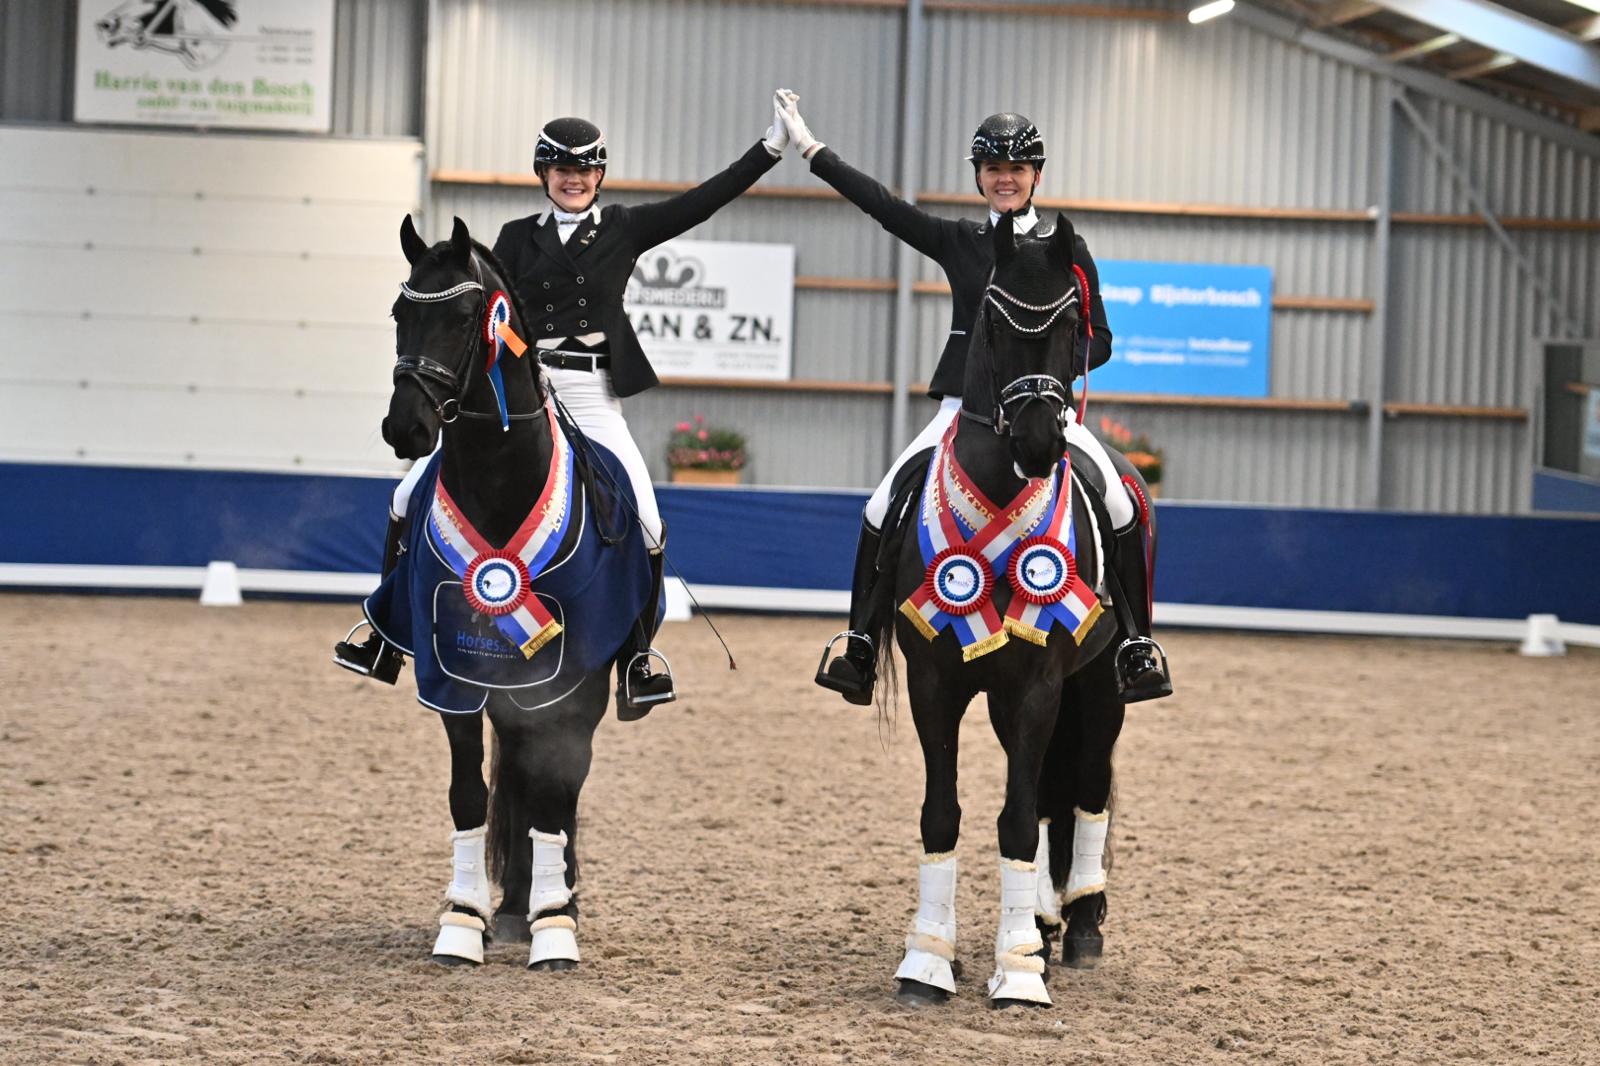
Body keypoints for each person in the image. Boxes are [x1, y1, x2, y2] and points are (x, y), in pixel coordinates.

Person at [335, 94, 795, 717]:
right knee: (404, 496)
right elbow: (498, 319)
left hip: (596, 395)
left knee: (649, 519)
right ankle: (388, 637)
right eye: (560, 169)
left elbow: (701, 202)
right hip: (529, 391)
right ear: (544, 175)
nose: (572, 179)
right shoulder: (515, 239)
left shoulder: (626, 228)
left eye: (583, 170)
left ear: (599, 175)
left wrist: (767, 149)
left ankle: (636, 659)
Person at [779, 98, 1173, 705]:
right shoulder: (960, 241)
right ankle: (859, 643)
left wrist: (1049, 383)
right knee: (881, 504)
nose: (1004, 177)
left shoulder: (1069, 247)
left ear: (1036, 174)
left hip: (1046, 410)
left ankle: (1136, 646)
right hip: (962, 410)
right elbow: (883, 206)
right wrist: (811, 150)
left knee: (1122, 502)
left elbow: (1100, 337)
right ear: (979, 176)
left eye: (1016, 167)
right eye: (992, 168)